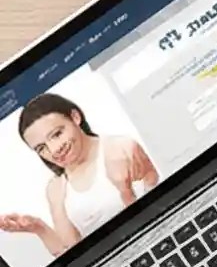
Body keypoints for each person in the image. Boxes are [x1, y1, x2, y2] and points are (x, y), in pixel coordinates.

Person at [0, 93, 158, 257]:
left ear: (75, 117)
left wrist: (126, 193)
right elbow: (73, 255)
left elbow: (163, 210)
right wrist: (38, 228)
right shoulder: (56, 189)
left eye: (56, 134)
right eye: (41, 148)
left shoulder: (122, 147)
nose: (54, 150)